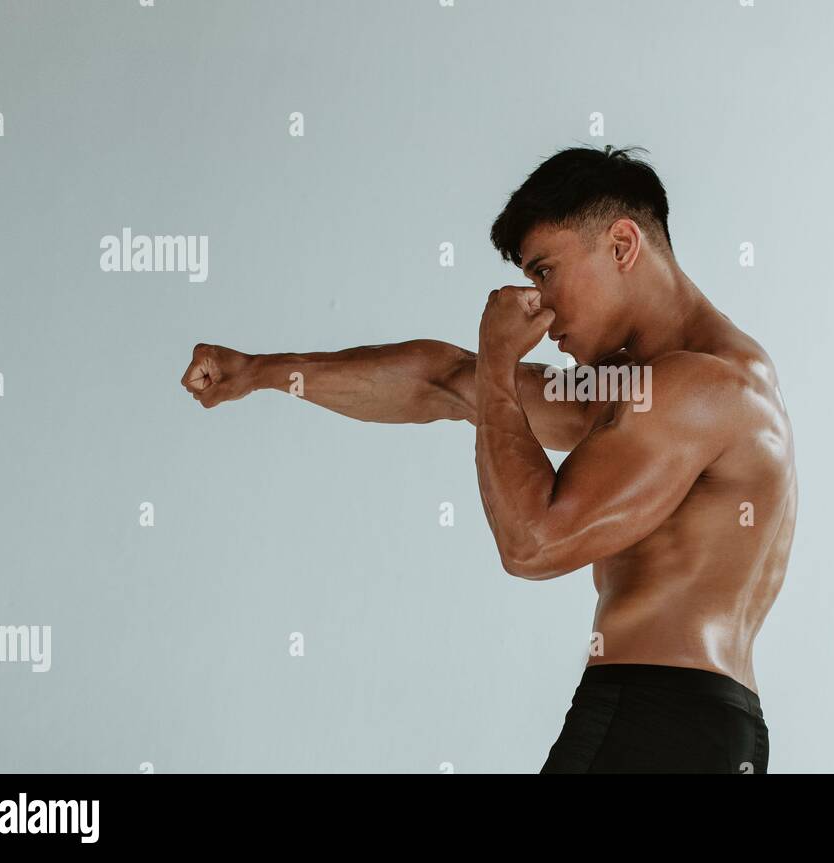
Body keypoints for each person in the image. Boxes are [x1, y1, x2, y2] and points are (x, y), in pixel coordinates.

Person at [180, 146, 796, 773]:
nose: (542, 308)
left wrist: (498, 360)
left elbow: (532, 543)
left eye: (546, 271)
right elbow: (443, 381)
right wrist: (259, 372)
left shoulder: (697, 389)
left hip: (653, 721)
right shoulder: (639, 388)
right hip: (707, 725)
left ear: (621, 245)